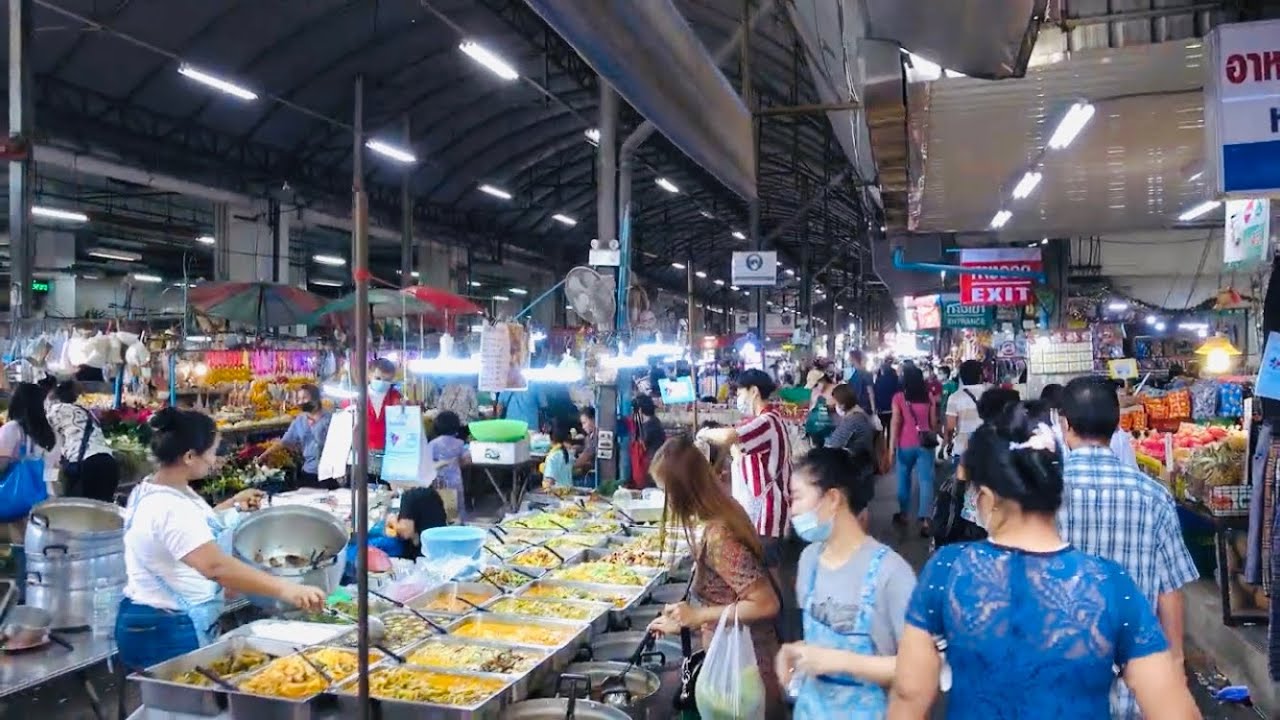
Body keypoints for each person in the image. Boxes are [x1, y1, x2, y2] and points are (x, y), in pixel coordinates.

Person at [887, 403, 1201, 720]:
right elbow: (1175, 710)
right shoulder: (1110, 584)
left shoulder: (948, 569)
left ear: (986, 499)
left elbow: (910, 695)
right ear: (1056, 490)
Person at [115, 408, 326, 670]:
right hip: (166, 628)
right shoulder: (168, 506)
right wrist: (288, 589)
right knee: (180, 707)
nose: (214, 460)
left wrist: (232, 505)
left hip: (161, 619)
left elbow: (186, 533)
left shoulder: (157, 487)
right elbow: (215, 567)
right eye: (211, 452)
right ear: (190, 456)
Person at [1058, 376, 1199, 718]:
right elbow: (1170, 594)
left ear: (1065, 425)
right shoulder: (1154, 497)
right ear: (1119, 424)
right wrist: (1175, 665)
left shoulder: (1037, 496)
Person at [646, 435, 784, 719]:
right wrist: (686, 620)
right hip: (736, 663)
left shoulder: (720, 536)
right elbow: (728, 594)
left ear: (684, 489)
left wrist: (698, 616)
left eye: (667, 492)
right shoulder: (722, 512)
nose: (667, 502)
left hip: (746, 669)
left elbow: (766, 603)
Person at [777, 448, 916, 718]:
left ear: (832, 499)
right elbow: (819, 639)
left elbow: (918, 671)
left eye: (796, 497)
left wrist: (841, 661)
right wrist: (797, 651)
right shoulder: (808, 562)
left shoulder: (891, 573)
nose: (791, 510)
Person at [698, 368, 792, 569]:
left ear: (754, 391)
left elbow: (728, 437)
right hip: (762, 514)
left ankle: (775, 602)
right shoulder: (768, 420)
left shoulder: (766, 422)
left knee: (766, 578)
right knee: (765, 576)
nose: (738, 399)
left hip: (768, 516)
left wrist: (705, 433)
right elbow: (738, 452)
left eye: (740, 393)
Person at [0, 383, 59, 542]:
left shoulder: (12, 429)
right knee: (32, 542)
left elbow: (1, 465)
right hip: (42, 500)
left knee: (15, 540)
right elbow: (53, 470)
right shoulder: (52, 434)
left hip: (12, 499)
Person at [46, 380, 119, 502]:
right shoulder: (84, 412)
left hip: (87, 465)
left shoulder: (53, 412)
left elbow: (51, 453)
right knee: (102, 511)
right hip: (109, 462)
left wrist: (50, 488)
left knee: (83, 513)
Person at [889, 366, 938, 535]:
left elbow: (895, 422)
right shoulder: (928, 397)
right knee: (926, 481)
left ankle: (904, 514)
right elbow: (933, 422)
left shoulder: (899, 398)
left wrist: (891, 448)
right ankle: (925, 520)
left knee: (903, 478)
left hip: (905, 443)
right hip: (925, 444)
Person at [259, 383, 331, 488]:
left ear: (316, 398)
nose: (301, 402)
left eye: (304, 398)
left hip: (329, 474)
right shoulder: (299, 420)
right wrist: (263, 456)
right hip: (309, 472)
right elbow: (284, 442)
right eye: (299, 399)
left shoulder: (330, 419)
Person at [366, 487, 448, 560]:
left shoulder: (410, 496)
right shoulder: (431, 493)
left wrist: (391, 521)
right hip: (440, 550)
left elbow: (405, 533)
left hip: (418, 556)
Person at [363, 357, 403, 480]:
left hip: (389, 454)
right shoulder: (358, 397)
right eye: (378, 378)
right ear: (369, 375)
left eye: (387, 380)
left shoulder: (396, 397)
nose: (382, 383)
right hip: (364, 454)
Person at [428, 411, 470, 521]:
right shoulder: (460, 443)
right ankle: (461, 528)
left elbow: (427, 463)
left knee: (441, 509)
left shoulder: (432, 444)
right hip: (456, 483)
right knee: (458, 510)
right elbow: (467, 460)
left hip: (438, 483)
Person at [942, 359, 987, 459]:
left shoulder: (955, 397)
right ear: (980, 376)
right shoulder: (991, 393)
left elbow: (950, 426)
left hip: (962, 449)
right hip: (988, 449)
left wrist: (949, 443)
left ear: (961, 377)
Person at [825, 383, 875, 458]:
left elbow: (832, 445)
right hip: (864, 460)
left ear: (842, 405)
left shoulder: (852, 420)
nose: (834, 406)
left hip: (856, 464)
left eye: (835, 403)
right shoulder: (859, 413)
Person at [540, 421, 576, 488]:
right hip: (568, 493)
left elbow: (549, 483)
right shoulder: (568, 453)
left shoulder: (552, 457)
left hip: (557, 495)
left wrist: (545, 471)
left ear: (550, 437)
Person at [872, 358, 900, 433]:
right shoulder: (896, 380)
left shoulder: (879, 380)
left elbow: (875, 394)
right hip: (893, 410)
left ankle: (882, 443)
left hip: (881, 410)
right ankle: (889, 444)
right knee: (892, 431)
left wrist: (875, 407)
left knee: (881, 430)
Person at [573, 406, 598, 478]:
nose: (583, 427)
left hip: (593, 477)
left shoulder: (597, 436)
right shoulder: (590, 436)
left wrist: (564, 465)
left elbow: (586, 456)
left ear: (593, 420)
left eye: (584, 423)